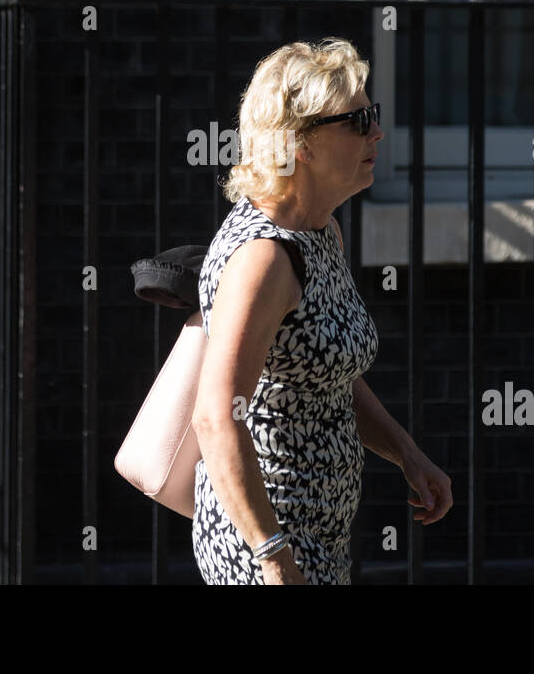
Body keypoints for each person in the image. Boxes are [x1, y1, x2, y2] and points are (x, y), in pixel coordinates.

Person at [191, 37, 452, 584]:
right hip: (267, 544)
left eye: (372, 115)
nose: (377, 132)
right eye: (357, 121)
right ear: (300, 144)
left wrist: (407, 454)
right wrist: (273, 557)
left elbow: (325, 373)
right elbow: (216, 417)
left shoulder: (319, 231)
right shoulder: (264, 257)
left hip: (318, 537)